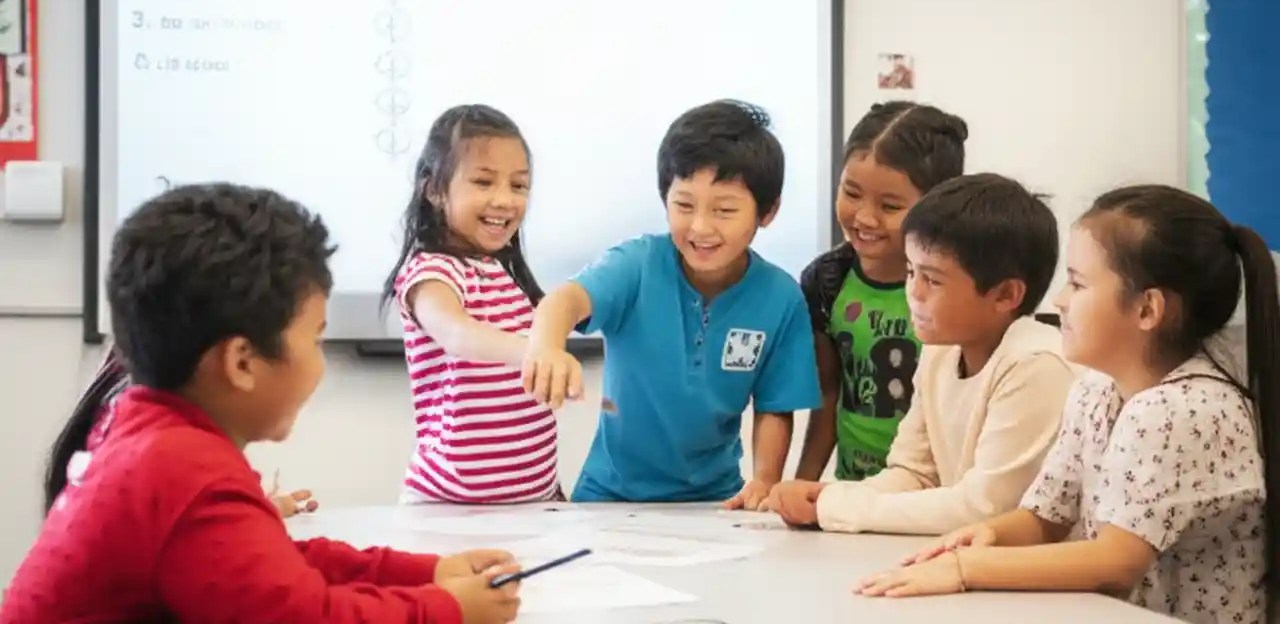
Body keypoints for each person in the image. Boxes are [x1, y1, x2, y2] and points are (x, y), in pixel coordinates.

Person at [1, 183, 522, 623]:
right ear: (242, 363)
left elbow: (278, 567)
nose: (319, 364)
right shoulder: (183, 471)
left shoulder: (150, 433)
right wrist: (443, 609)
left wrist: (426, 573)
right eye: (315, 339)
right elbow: (304, 616)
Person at [860, 184, 1277, 624]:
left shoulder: (1183, 409)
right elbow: (1046, 516)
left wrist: (967, 569)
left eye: (1077, 283)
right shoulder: (1094, 390)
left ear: (1147, 310)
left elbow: (1116, 561)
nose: (1058, 300)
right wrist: (982, 537)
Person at [523, 99, 821, 507]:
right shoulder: (637, 265)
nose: (700, 227)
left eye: (725, 210)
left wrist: (765, 482)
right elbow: (566, 299)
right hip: (608, 497)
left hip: (715, 500)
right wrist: (545, 346)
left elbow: (775, 406)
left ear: (767, 212)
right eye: (684, 205)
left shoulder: (781, 298)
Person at [770, 174, 1073, 535]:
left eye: (932, 279)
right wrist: (830, 496)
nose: (913, 292)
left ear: (1006, 295)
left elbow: (985, 509)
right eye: (911, 271)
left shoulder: (1035, 364)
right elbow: (914, 473)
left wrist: (835, 507)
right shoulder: (940, 351)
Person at [382, 105, 559, 504]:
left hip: (534, 501)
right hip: (447, 508)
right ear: (434, 190)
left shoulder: (504, 276)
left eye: (518, 186)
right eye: (483, 182)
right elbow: (457, 333)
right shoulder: (431, 272)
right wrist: (539, 351)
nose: (504, 200)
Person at [794, 101, 967, 484]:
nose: (864, 217)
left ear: (937, 204)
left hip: (934, 494)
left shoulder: (958, 287)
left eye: (890, 205)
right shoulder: (827, 280)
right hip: (856, 489)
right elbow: (828, 393)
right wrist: (803, 483)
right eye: (851, 193)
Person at [49, 345, 319, 518]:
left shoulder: (129, 412)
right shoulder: (163, 450)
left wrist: (261, 510)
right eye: (314, 338)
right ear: (240, 359)